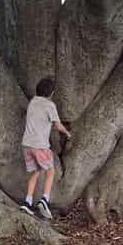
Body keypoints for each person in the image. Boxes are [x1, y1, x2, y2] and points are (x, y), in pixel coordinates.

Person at [20, 77, 71, 220]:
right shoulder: (49, 105)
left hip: (27, 144)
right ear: (51, 93)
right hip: (39, 145)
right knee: (50, 171)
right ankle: (45, 200)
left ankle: (27, 202)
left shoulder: (33, 102)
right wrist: (67, 134)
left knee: (35, 172)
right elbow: (57, 125)